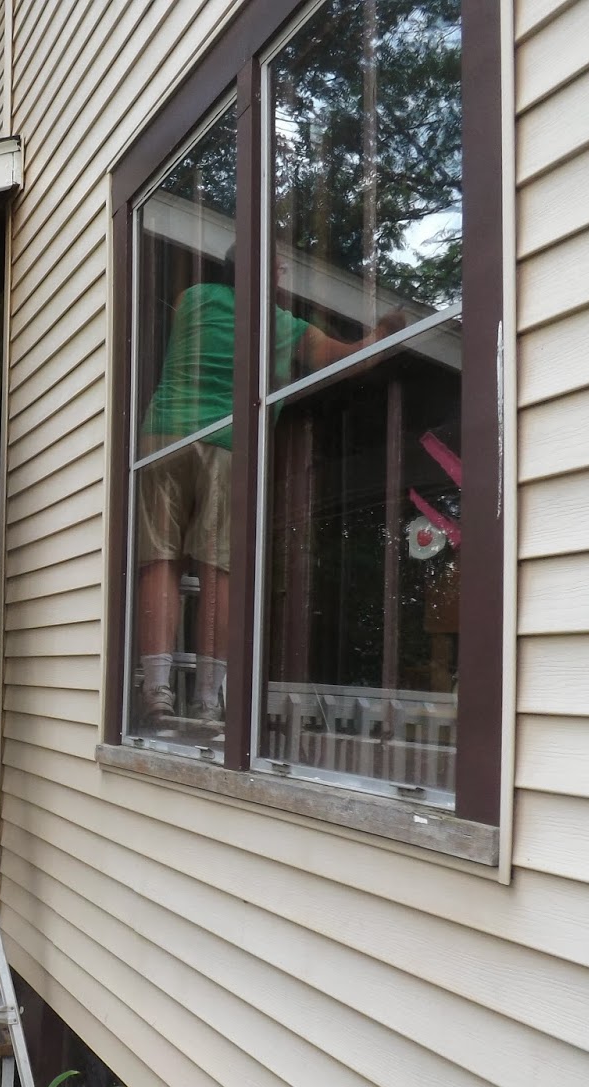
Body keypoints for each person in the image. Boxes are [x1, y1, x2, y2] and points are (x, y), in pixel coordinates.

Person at [136, 246, 404, 728]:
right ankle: (206, 700)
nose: (284, 274)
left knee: (161, 560)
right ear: (266, 274)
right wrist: (381, 336)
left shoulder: (193, 298)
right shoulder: (284, 325)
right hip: (227, 444)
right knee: (217, 567)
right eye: (279, 267)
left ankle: (156, 690)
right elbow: (348, 361)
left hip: (163, 438)